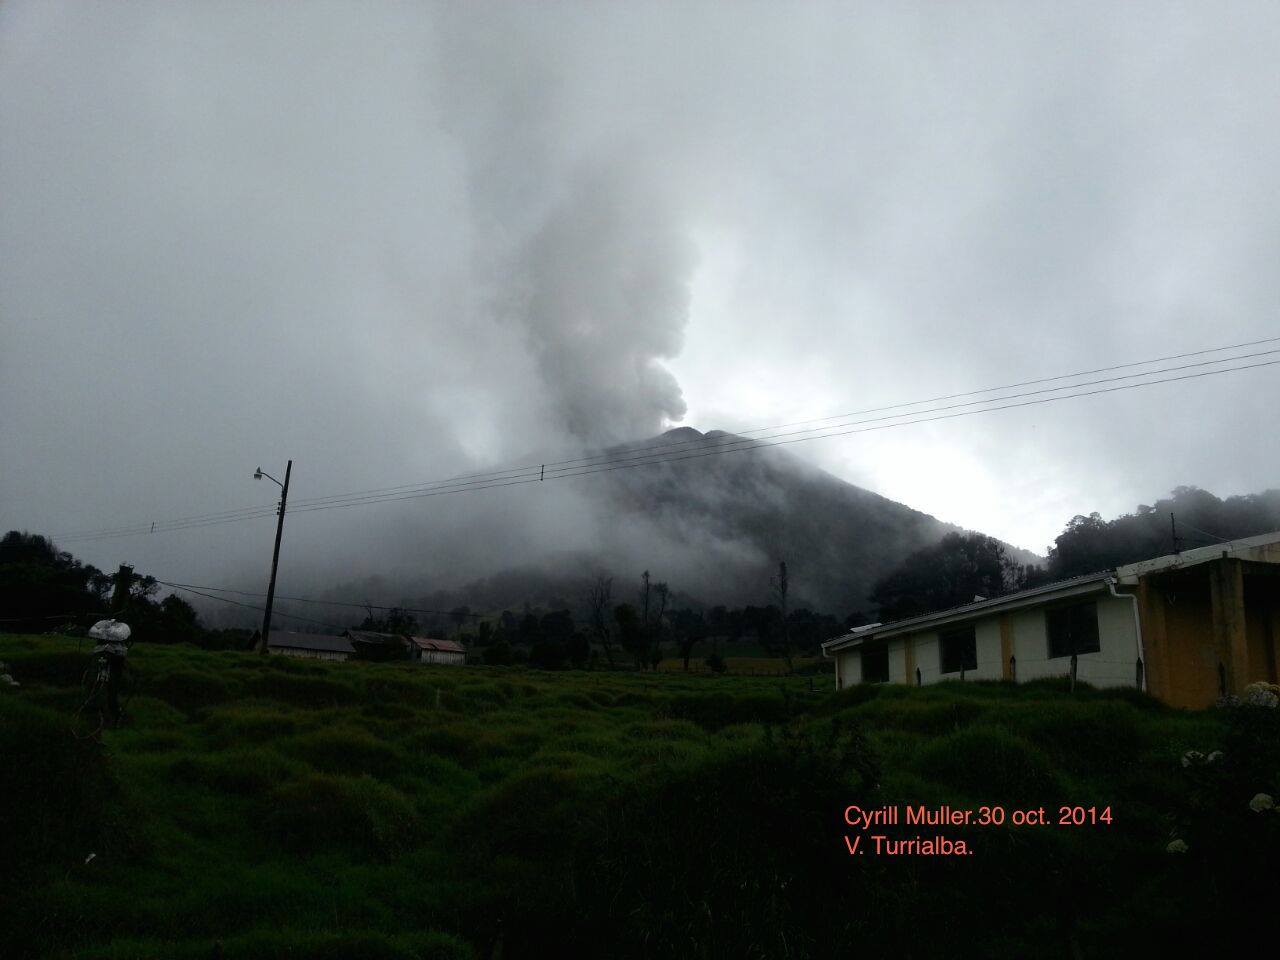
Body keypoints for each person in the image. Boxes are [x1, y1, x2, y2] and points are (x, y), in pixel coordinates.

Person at [87, 619, 131, 727]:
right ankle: (99, 713)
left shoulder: (118, 650)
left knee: (112, 691)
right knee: (99, 688)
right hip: (103, 668)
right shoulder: (102, 648)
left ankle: (112, 716)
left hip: (113, 669)